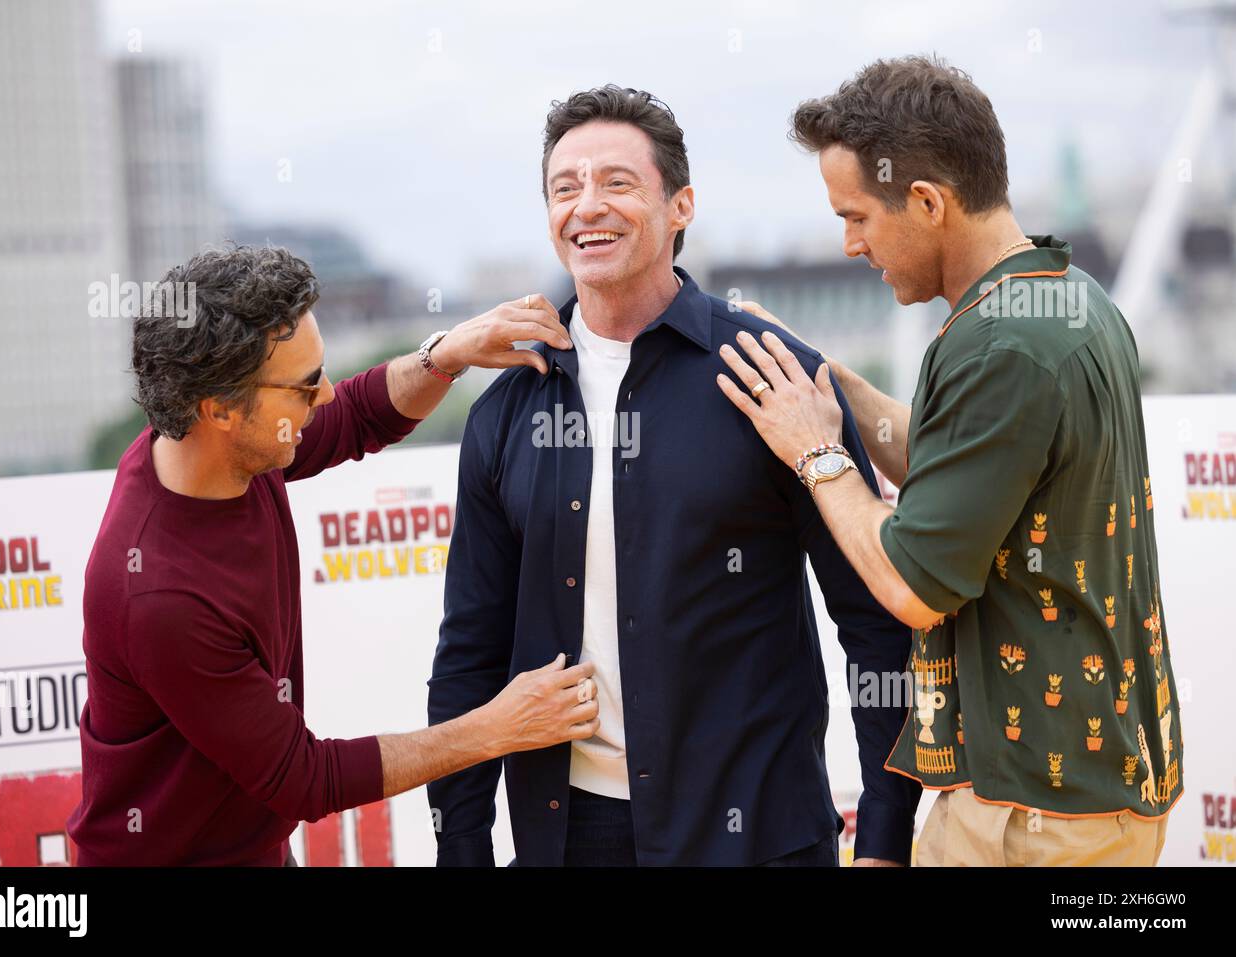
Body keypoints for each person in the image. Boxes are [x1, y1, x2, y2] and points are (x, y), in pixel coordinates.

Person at [427, 86, 919, 867]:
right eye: (565, 187)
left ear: (681, 205)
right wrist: (463, 848)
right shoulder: (506, 411)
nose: (587, 205)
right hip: (570, 840)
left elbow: (873, 624)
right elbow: (470, 654)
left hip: (759, 836)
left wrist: (887, 837)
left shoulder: (772, 375)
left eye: (617, 182)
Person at [719, 56, 1181, 866]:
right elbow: (962, 462)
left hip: (1033, 815)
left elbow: (913, 583)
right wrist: (828, 380)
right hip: (1079, 791)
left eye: (858, 216)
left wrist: (817, 452)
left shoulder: (1000, 345)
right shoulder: (1061, 298)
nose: (850, 244)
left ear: (927, 201)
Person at [66, 244, 599, 865]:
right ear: (219, 410)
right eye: (303, 386)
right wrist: (495, 728)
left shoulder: (219, 446)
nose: (322, 397)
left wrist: (447, 354)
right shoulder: (159, 596)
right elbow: (304, 778)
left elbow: (354, 415)